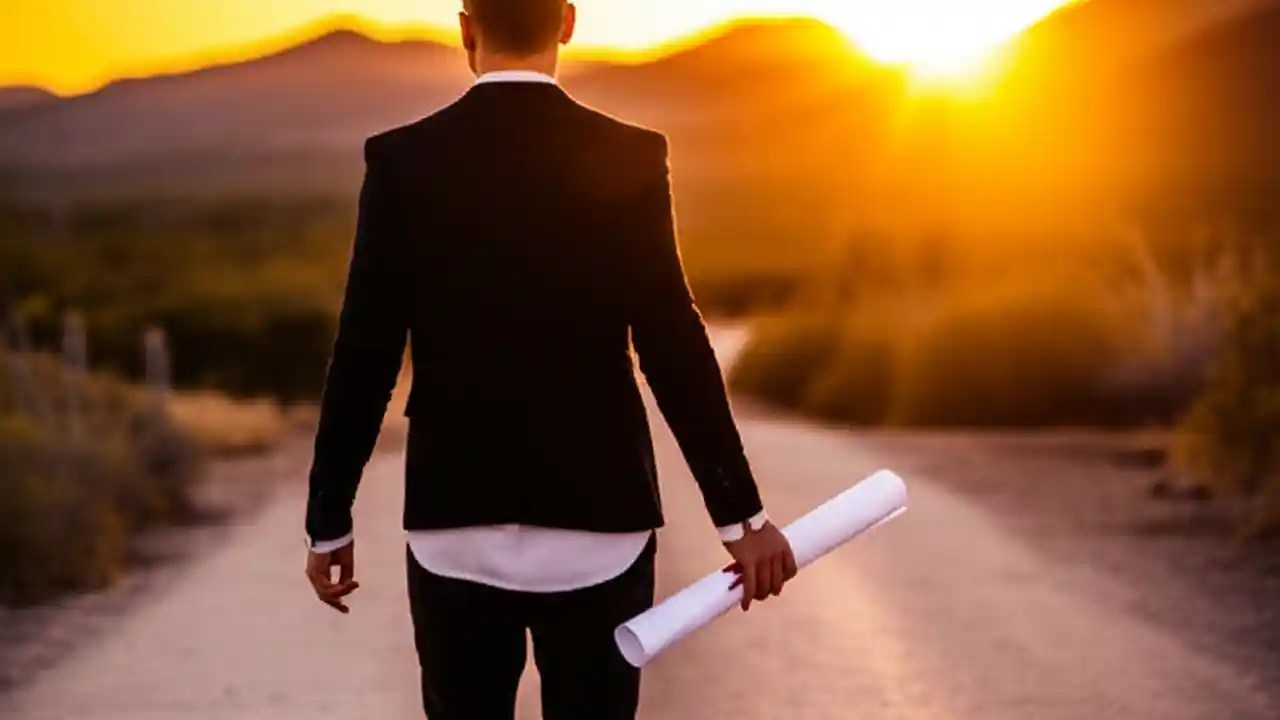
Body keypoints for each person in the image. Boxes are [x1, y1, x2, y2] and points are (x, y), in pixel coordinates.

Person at [302, 1, 796, 716]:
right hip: (602, 531)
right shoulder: (631, 153)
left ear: (466, 27)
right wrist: (740, 519)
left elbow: (364, 352)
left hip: (454, 529)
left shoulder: (402, 160)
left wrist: (330, 520)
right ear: (567, 22)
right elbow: (672, 342)